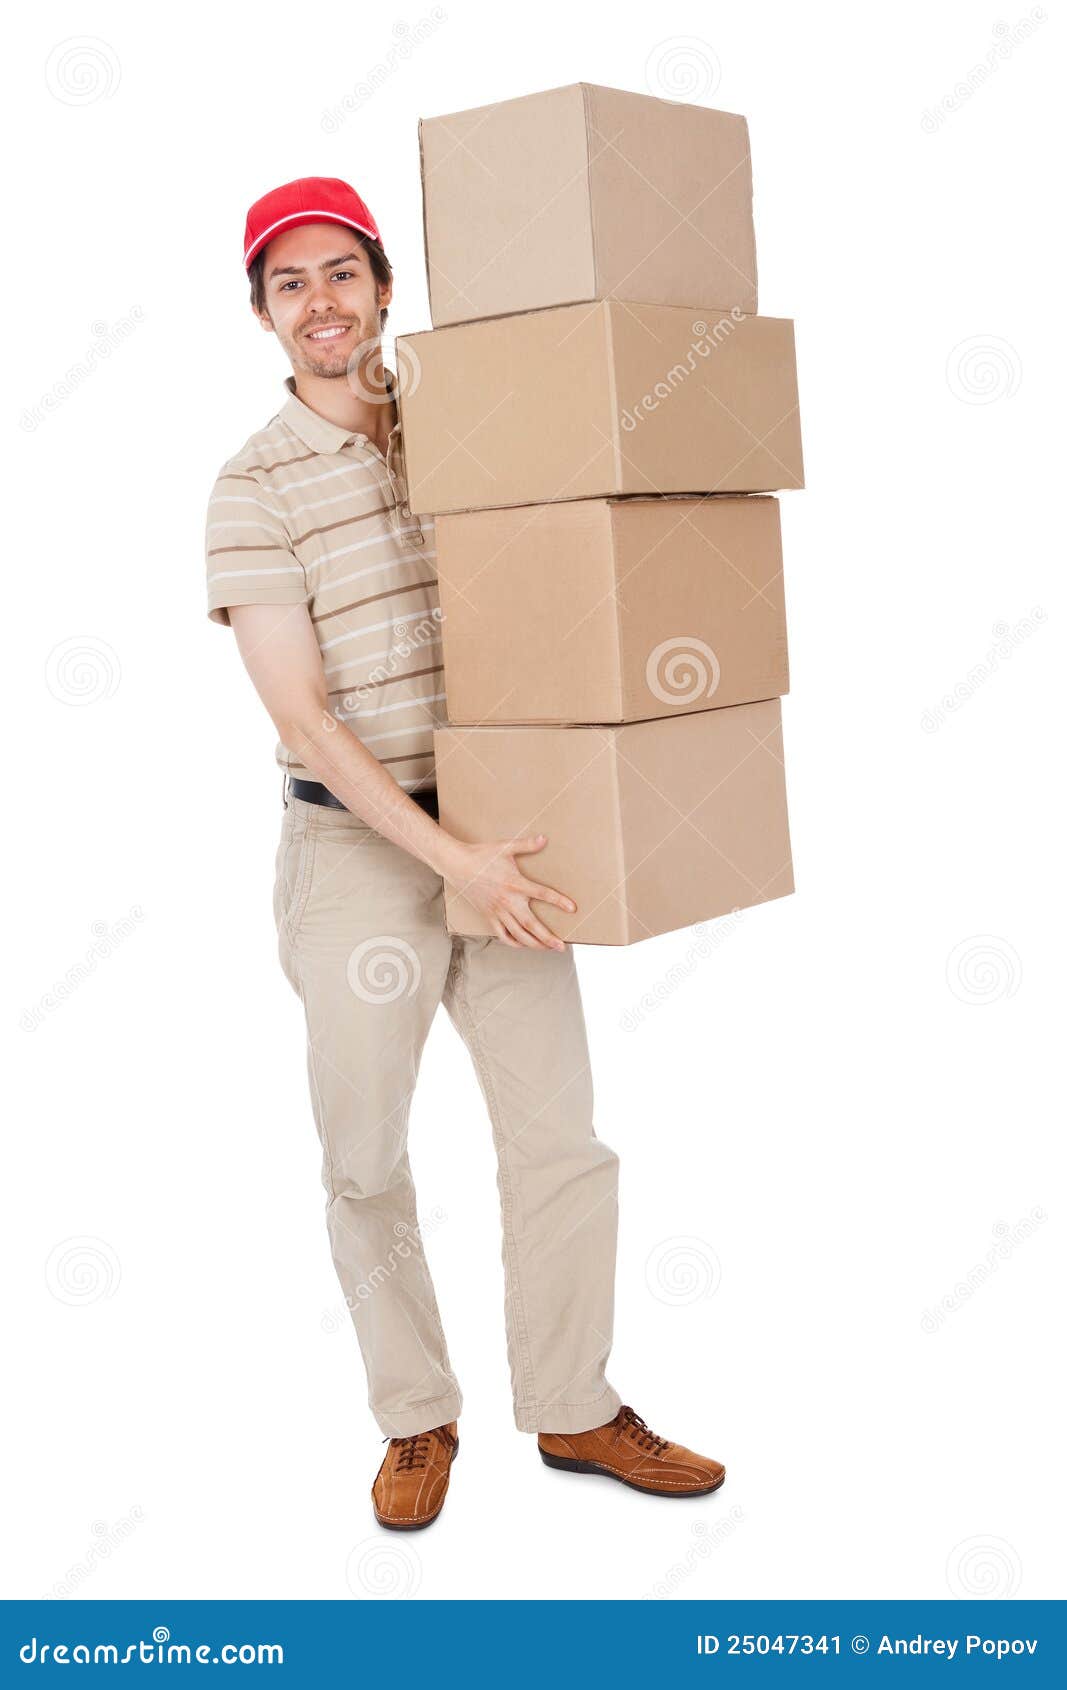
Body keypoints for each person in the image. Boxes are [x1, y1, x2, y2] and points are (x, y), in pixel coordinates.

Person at [204, 176, 726, 1530]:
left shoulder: (471, 430)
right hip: (360, 854)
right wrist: (457, 862)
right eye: (289, 283)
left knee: (561, 1136)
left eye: (341, 274)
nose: (322, 302)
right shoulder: (251, 487)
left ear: (384, 287)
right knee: (365, 1156)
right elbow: (305, 717)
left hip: (511, 818)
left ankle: (572, 1403)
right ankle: (414, 1413)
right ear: (262, 314)